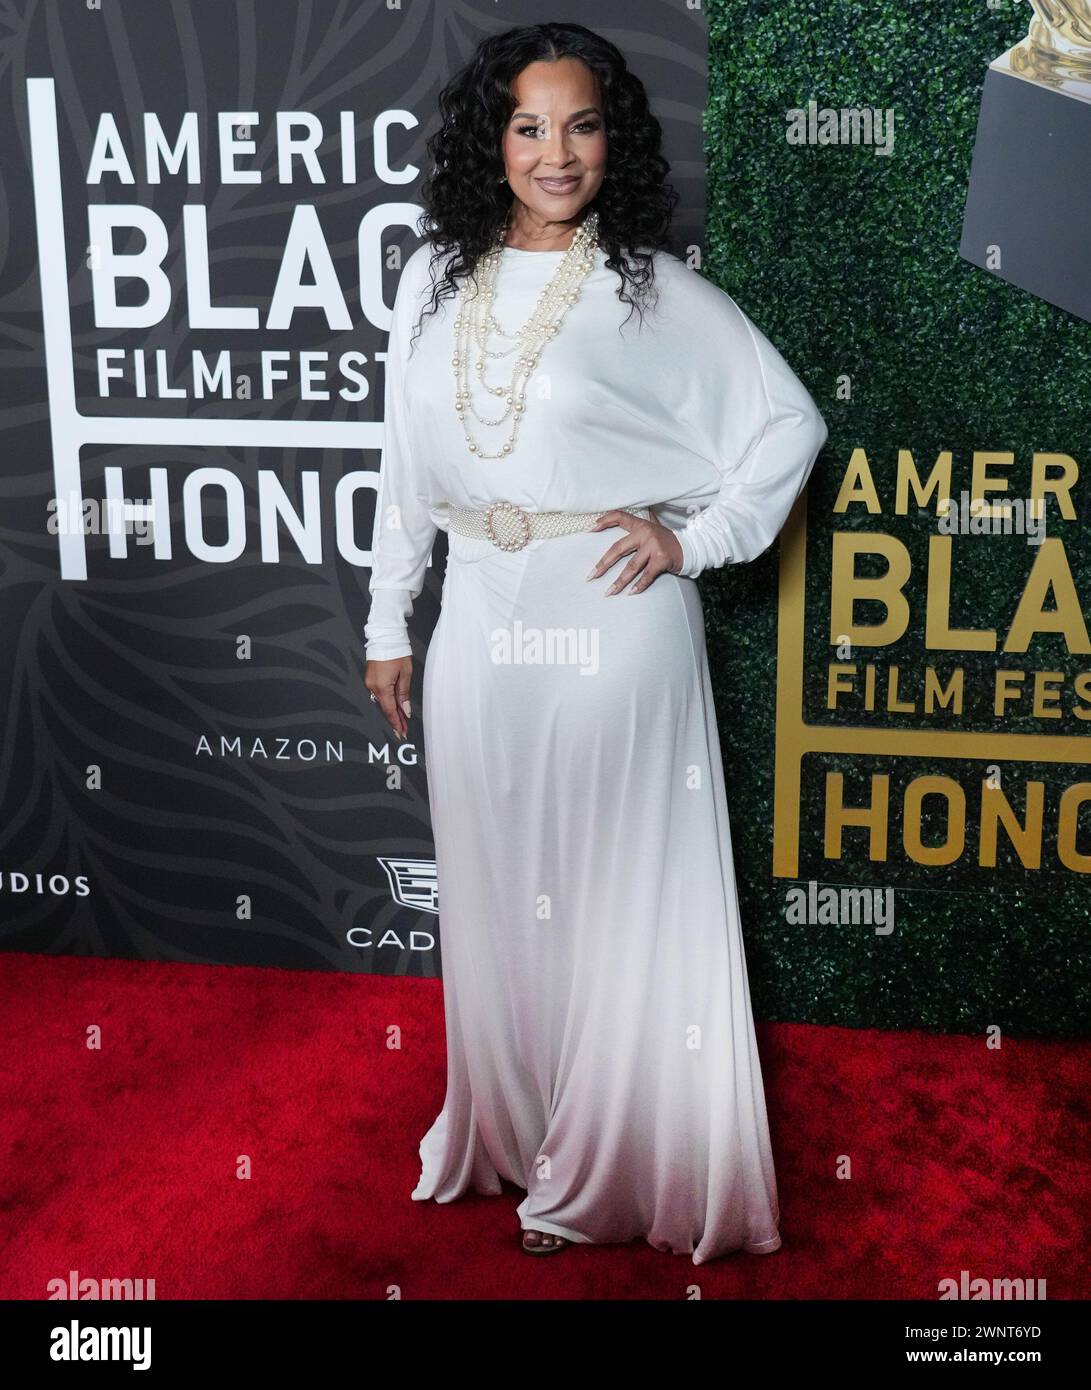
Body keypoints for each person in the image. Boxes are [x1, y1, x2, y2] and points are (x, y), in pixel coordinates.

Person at [364, 22, 827, 1263]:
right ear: (491, 141)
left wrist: (697, 539)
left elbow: (788, 423)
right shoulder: (428, 280)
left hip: (610, 620)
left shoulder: (648, 288)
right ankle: (514, 1131)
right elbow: (403, 467)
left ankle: (609, 1162)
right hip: (476, 618)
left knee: (617, 895)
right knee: (501, 884)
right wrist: (384, 619)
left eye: (579, 125)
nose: (554, 152)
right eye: (527, 126)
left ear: (609, 139)